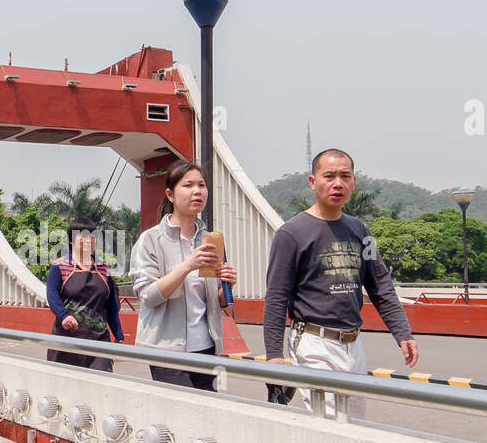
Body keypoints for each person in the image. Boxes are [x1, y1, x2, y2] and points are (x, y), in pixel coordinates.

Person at [263, 148, 417, 419]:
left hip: (352, 343)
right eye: (329, 176)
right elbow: (276, 296)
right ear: (313, 182)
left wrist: (402, 332)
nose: (338, 183)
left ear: (354, 182)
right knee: (331, 423)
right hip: (313, 342)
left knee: (354, 423)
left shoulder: (359, 230)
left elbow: (379, 284)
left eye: (345, 176)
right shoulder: (292, 233)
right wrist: (274, 356)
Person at [129, 160, 237, 390]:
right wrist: (187, 265)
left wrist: (225, 286)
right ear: (170, 194)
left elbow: (213, 301)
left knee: (206, 412)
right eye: (188, 185)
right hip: (166, 350)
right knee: (183, 415)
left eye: (201, 185)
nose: (197, 191)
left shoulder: (211, 240)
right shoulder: (150, 240)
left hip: (207, 347)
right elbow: (148, 296)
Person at [46, 218, 125, 371]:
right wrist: (64, 316)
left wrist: (118, 333)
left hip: (99, 341)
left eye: (92, 236)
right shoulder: (60, 266)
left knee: (101, 385)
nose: (89, 239)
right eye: (83, 235)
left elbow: (111, 305)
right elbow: (52, 295)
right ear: (71, 240)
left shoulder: (103, 268)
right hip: (66, 341)